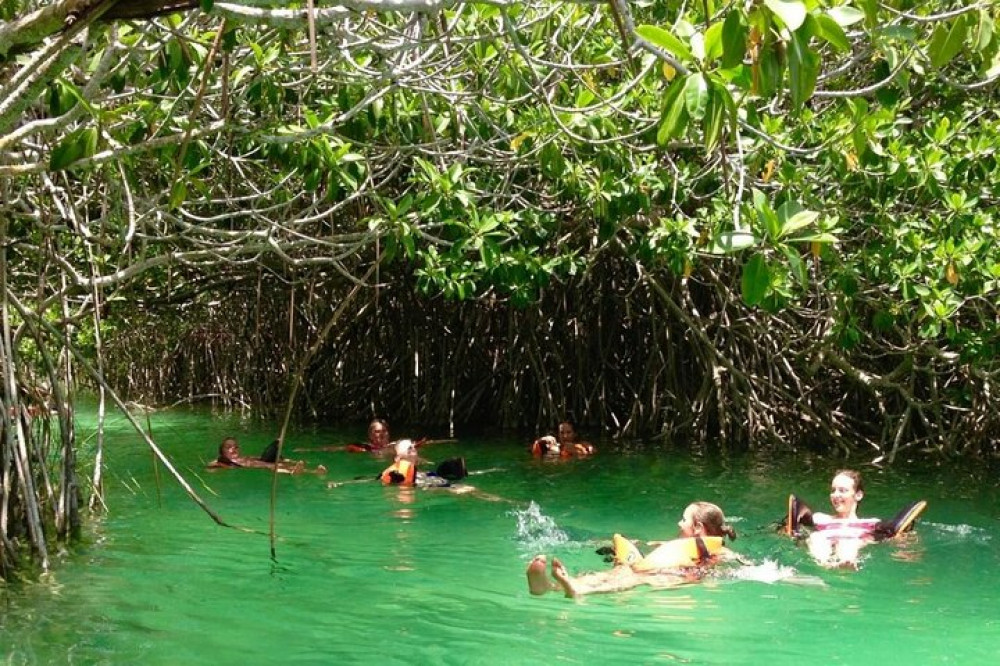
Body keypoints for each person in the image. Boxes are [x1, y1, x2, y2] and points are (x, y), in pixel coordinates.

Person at [526, 501, 737, 598]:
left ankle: (573, 588)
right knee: (624, 572)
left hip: (676, 578)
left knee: (629, 575)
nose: (679, 523)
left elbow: (742, 567)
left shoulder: (722, 553)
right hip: (665, 573)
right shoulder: (676, 547)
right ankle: (554, 587)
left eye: (684, 520)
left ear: (698, 528)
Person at [207, 437, 326, 475]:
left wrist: (285, 459)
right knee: (272, 467)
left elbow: (259, 457)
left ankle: (314, 471)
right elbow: (210, 467)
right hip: (259, 468)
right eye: (229, 447)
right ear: (222, 451)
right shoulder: (223, 461)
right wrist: (215, 464)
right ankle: (293, 472)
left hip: (261, 463)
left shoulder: (245, 457)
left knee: (279, 463)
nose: (233, 449)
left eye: (235, 446)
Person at [531, 421, 596, 457]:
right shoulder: (551, 445)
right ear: (558, 434)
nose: (565, 436)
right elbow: (535, 452)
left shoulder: (584, 445)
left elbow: (592, 453)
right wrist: (541, 440)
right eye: (562, 433)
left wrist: (574, 451)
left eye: (569, 432)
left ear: (575, 434)